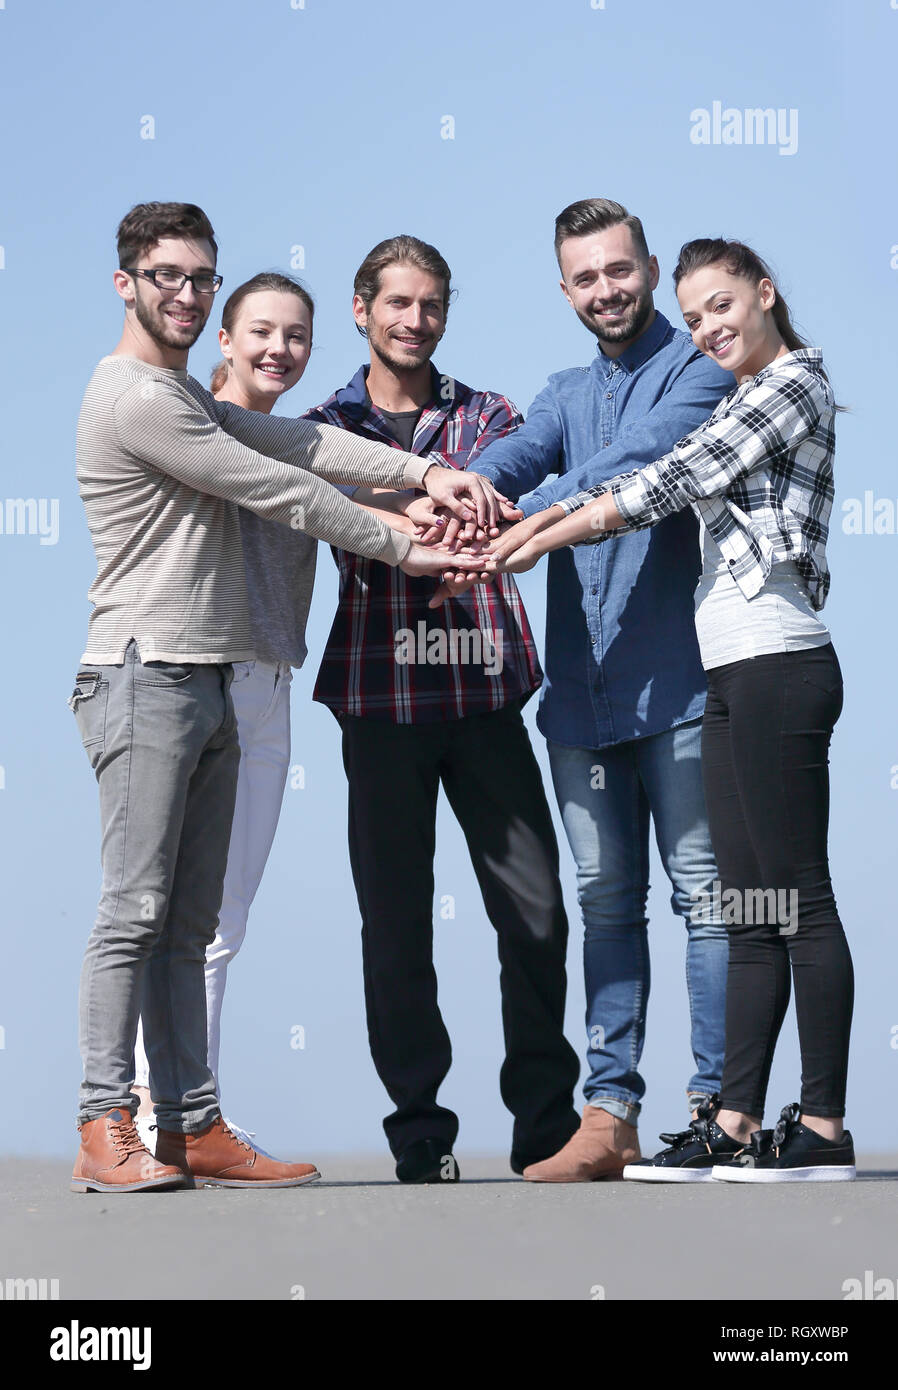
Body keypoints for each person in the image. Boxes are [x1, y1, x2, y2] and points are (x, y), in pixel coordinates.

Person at [69, 202, 494, 1194]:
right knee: (132, 909)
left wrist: (427, 469)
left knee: (189, 925)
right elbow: (281, 488)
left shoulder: (188, 395)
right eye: (166, 275)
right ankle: (103, 1120)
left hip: (212, 678)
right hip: (144, 673)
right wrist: (405, 537)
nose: (184, 292)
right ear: (126, 282)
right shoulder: (136, 397)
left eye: (198, 275)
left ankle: (190, 1124)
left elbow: (309, 450)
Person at [489, 237, 855, 1182]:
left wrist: (535, 531)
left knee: (791, 901)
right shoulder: (684, 386)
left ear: (766, 292)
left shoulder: (785, 384)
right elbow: (555, 457)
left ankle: (819, 1127)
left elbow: (668, 475)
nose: (710, 328)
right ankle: (733, 1125)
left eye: (722, 305)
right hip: (732, 669)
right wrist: (480, 500)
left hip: (775, 664)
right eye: (698, 317)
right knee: (748, 902)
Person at [432, 199, 734, 1181]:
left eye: (619, 269)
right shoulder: (561, 388)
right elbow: (517, 453)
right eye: (584, 277)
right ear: (563, 289)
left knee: (702, 899)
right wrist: (470, 490)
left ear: (647, 267)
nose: (605, 289)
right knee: (606, 904)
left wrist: (528, 516)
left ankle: (717, 1116)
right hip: (578, 701)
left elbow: (635, 464)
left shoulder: (699, 370)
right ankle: (607, 1118)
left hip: (682, 691)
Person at [301, 235, 582, 1183]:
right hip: (379, 701)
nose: (415, 320)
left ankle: (545, 1126)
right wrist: (411, 498)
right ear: (360, 308)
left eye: (432, 305)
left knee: (536, 913)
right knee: (397, 923)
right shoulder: (321, 424)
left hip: (484, 692)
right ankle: (421, 1132)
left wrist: (444, 506)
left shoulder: (490, 415)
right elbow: (329, 499)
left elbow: (500, 496)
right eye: (398, 303)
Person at [132, 271, 317, 1154]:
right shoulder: (195, 423)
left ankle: (165, 1109)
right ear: (225, 341)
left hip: (273, 685)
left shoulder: (300, 441)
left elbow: (366, 500)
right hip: (213, 681)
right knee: (198, 918)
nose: (279, 348)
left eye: (296, 336)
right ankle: (175, 1115)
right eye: (262, 332)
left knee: (215, 919)